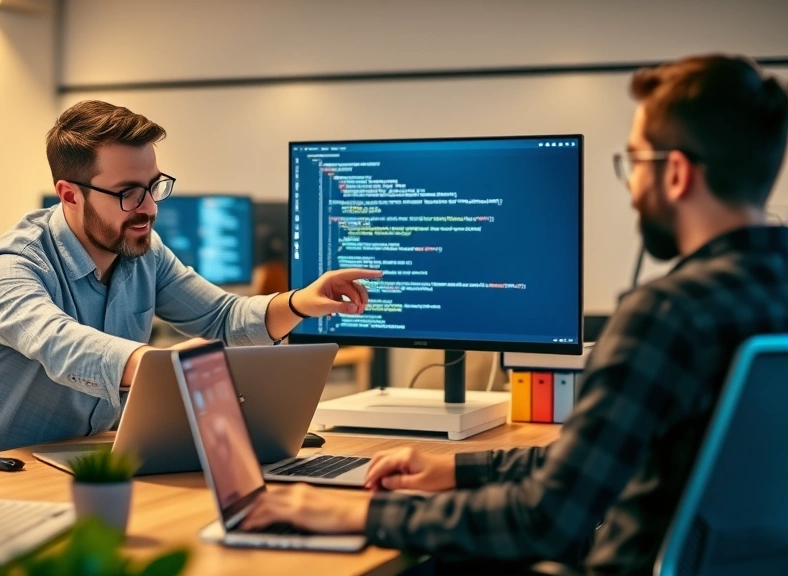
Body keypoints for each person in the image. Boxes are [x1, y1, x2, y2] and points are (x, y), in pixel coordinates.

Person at [241, 54, 788, 574]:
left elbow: (545, 517)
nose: (632, 189)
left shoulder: (667, 315)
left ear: (675, 174)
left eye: (635, 162)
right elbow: (587, 469)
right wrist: (457, 467)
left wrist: (357, 514)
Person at [0, 101, 380, 455]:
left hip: (90, 460)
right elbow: (62, 343)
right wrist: (166, 366)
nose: (149, 208)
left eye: (153, 186)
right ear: (69, 194)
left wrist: (300, 302)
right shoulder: (12, 265)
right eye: (128, 193)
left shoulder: (142, 249)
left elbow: (221, 318)